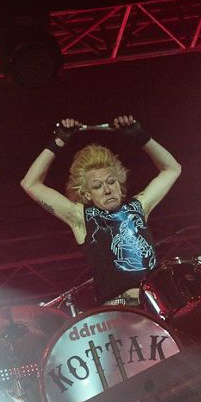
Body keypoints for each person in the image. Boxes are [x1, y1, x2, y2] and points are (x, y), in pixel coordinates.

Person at [21, 115, 181, 307]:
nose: (107, 190)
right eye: (97, 186)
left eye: (111, 182)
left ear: (120, 184)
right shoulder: (81, 217)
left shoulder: (138, 206)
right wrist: (58, 142)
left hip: (156, 304)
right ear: (87, 194)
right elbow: (30, 184)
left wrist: (141, 136)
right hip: (117, 309)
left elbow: (172, 169)